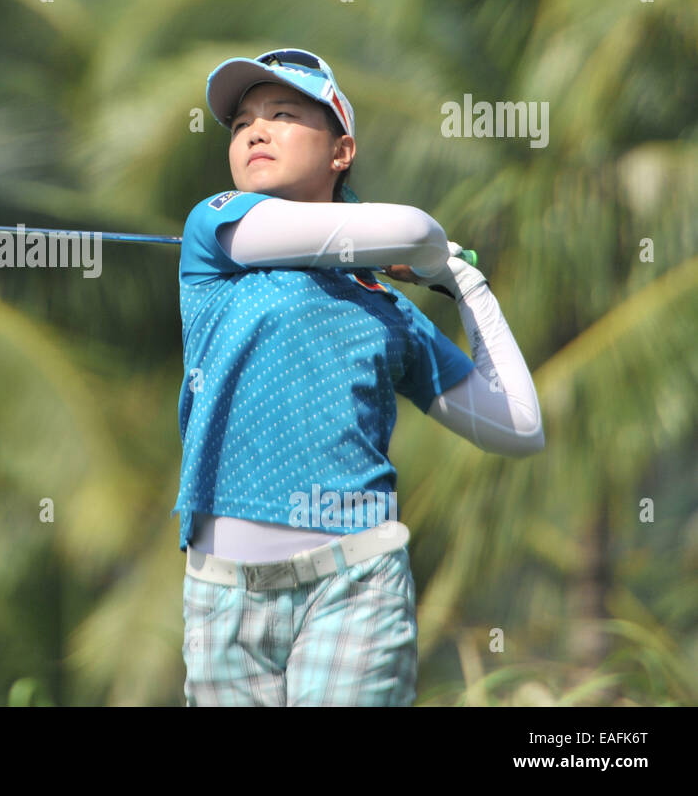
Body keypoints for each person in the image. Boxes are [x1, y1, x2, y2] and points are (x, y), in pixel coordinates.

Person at [174, 48, 544, 706]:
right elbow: (410, 227)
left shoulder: (389, 309)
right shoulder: (215, 232)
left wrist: (465, 283)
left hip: (356, 581)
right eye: (241, 124)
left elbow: (518, 425)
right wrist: (423, 248)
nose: (255, 130)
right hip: (222, 590)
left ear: (341, 151)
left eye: (283, 115)